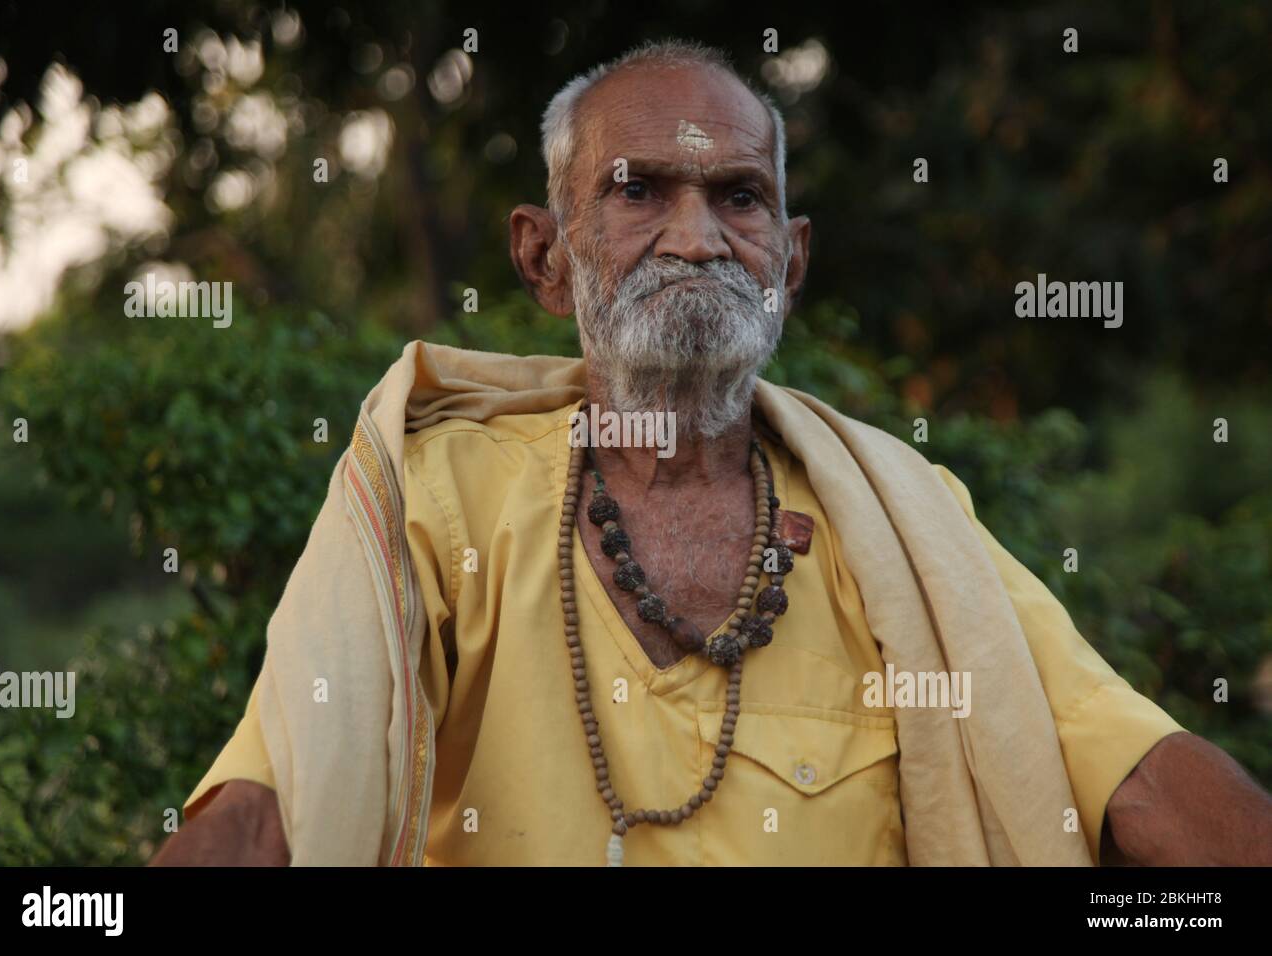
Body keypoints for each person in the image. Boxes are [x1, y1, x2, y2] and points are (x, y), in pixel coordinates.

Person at [151, 40, 1272, 867]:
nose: (695, 238)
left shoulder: (901, 519)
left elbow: (1135, 766)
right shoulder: (438, 503)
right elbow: (286, 793)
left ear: (786, 261)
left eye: (737, 197)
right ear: (543, 257)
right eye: (637, 190)